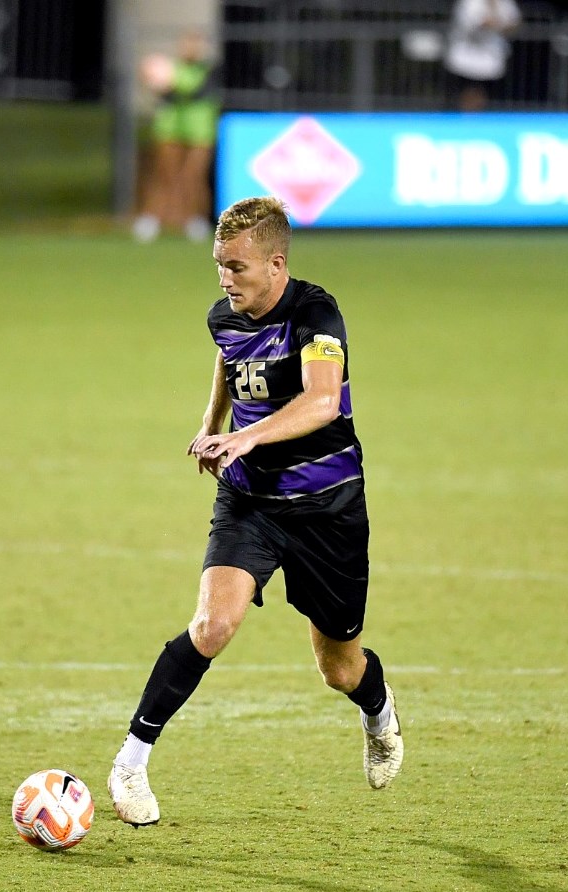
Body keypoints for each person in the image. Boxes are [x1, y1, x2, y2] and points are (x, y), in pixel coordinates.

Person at [107, 196, 403, 827]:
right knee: (212, 625)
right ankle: (130, 762)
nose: (224, 278)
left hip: (329, 507)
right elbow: (229, 356)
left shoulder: (317, 316)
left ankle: (379, 713)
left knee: (338, 665)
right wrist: (211, 424)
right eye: (218, 264)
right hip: (249, 500)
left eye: (236, 267)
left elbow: (324, 403)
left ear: (275, 263)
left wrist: (246, 434)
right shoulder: (226, 315)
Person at [134, 30, 221, 244]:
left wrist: (170, 84)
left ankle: (196, 220)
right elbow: (164, 94)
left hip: (200, 130)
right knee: (165, 175)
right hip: (170, 128)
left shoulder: (209, 71)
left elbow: (194, 91)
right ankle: (152, 219)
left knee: (193, 177)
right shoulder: (172, 68)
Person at [443, 0, 521, 112]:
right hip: (466, 59)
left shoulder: (505, 2)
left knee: (489, 98)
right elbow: (479, 24)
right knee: (467, 94)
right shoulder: (469, 2)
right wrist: (501, 24)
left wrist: (498, 22)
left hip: (492, 59)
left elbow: (514, 24)